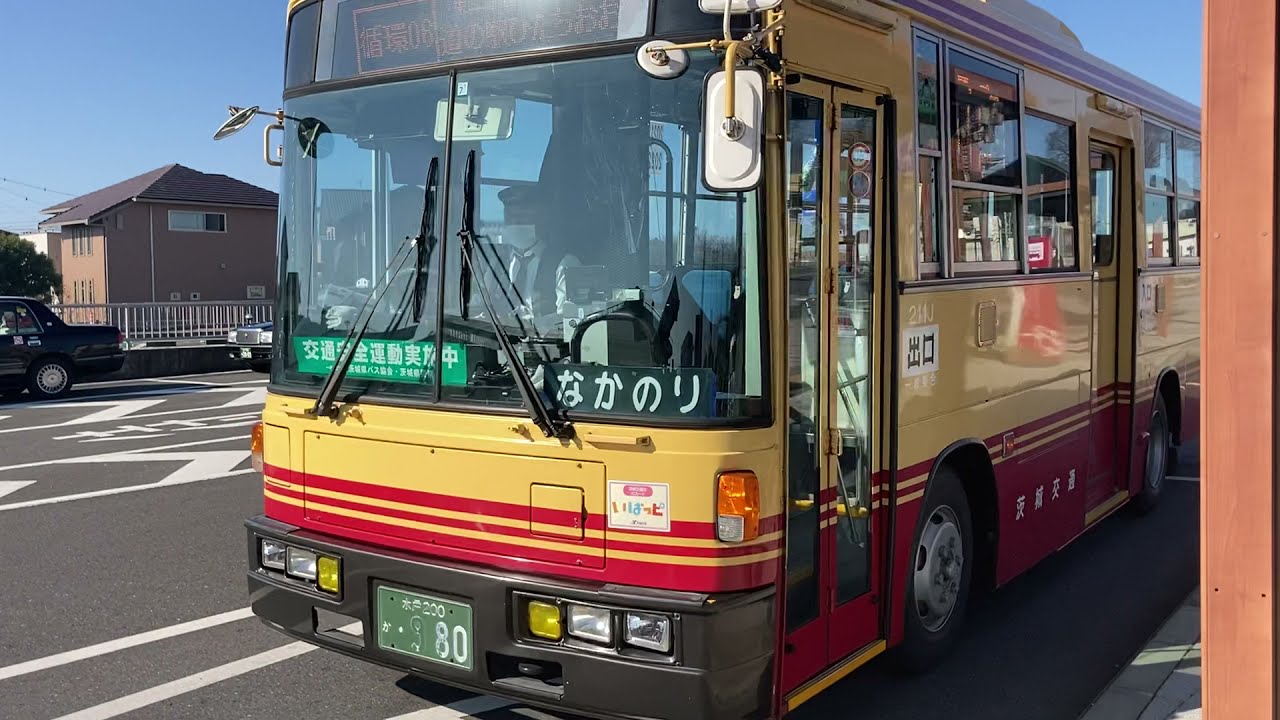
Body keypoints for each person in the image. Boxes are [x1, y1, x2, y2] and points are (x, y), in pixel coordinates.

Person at [495, 183, 581, 327]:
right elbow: (479, 304)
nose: (515, 224)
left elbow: (569, 321)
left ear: (542, 219)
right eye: (510, 218)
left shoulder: (565, 264)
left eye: (522, 218)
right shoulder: (497, 263)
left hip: (543, 347)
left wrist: (527, 324)